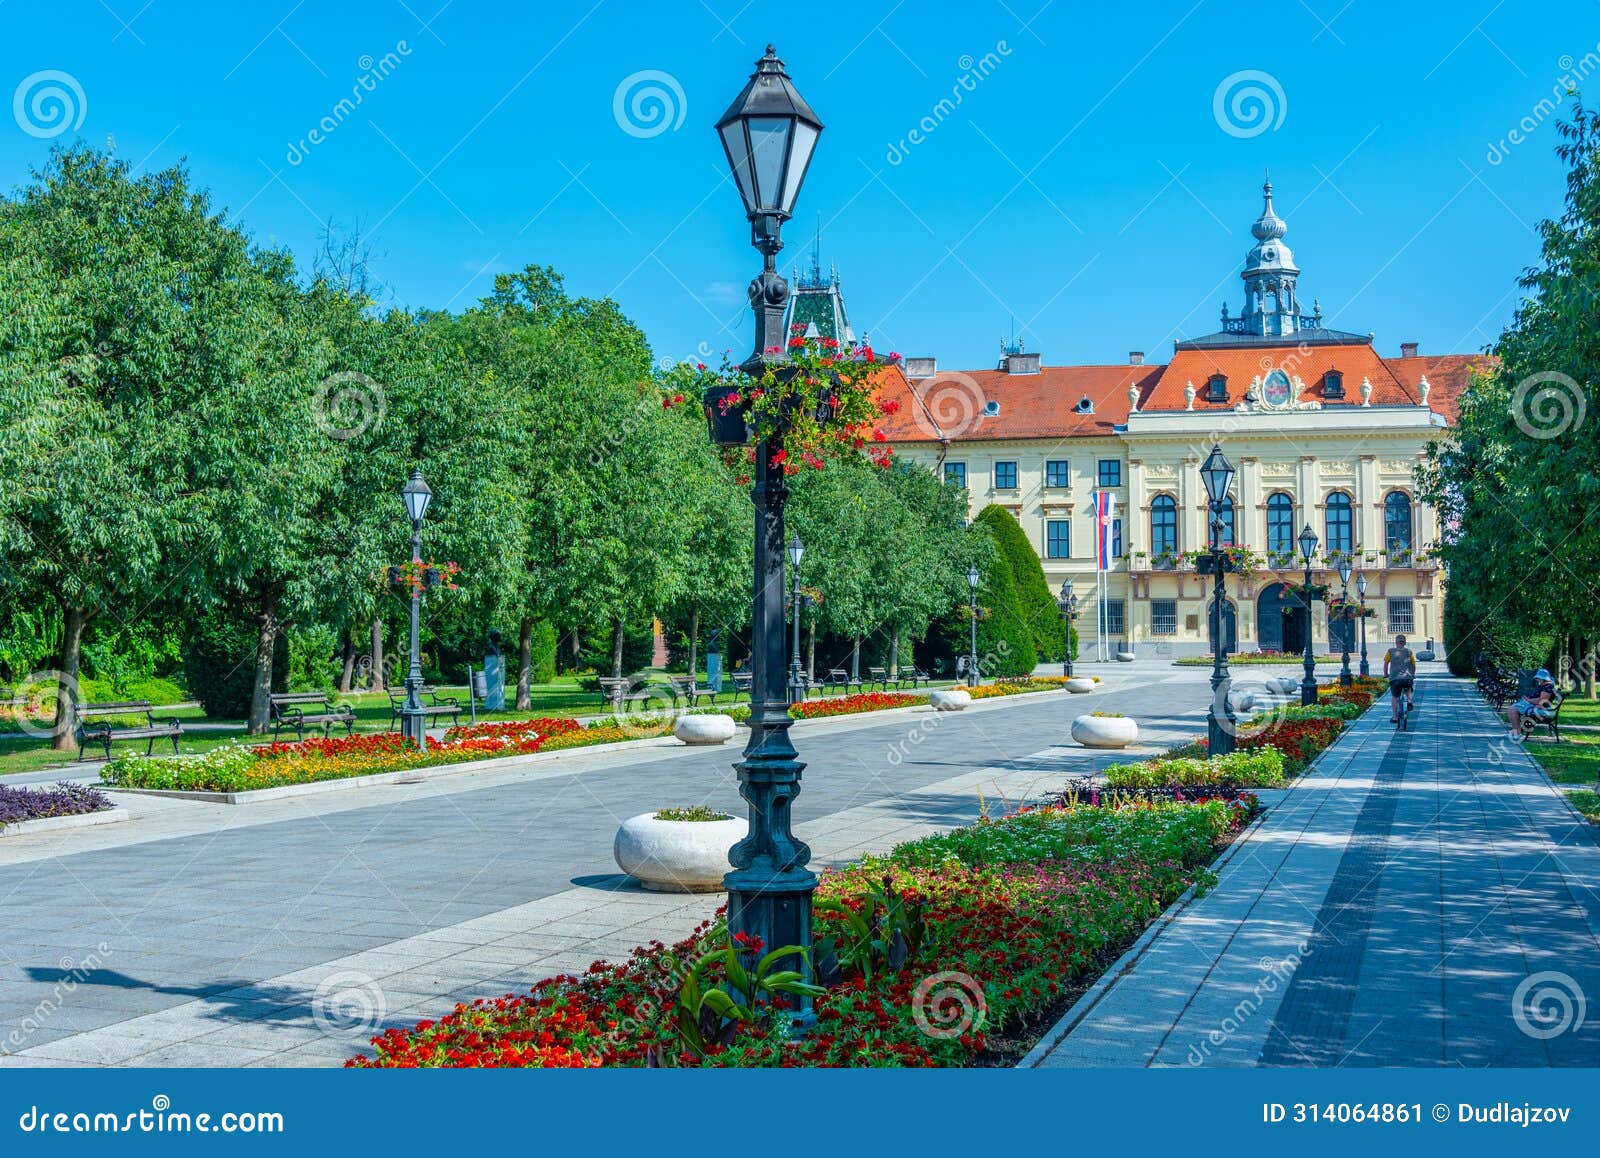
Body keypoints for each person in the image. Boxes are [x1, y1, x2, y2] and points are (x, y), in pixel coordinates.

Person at [1507, 668, 1558, 741]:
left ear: (1543, 678)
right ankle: (1516, 732)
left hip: (1541, 709)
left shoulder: (1548, 686)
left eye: (1539, 678)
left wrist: (1528, 700)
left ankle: (1517, 733)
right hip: (1536, 706)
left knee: (1512, 710)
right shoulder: (1545, 685)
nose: (1537, 680)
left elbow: (1542, 701)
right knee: (1512, 708)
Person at [1382, 634, 1416, 723]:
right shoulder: (1409, 652)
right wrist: (1413, 674)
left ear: (1396, 642)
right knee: (1408, 688)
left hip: (1395, 678)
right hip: (1407, 677)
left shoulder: (1390, 651)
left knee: (1394, 696)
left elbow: (1386, 663)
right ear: (1405, 643)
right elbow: (1413, 664)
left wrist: (1385, 674)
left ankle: (1395, 717)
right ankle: (1409, 701)